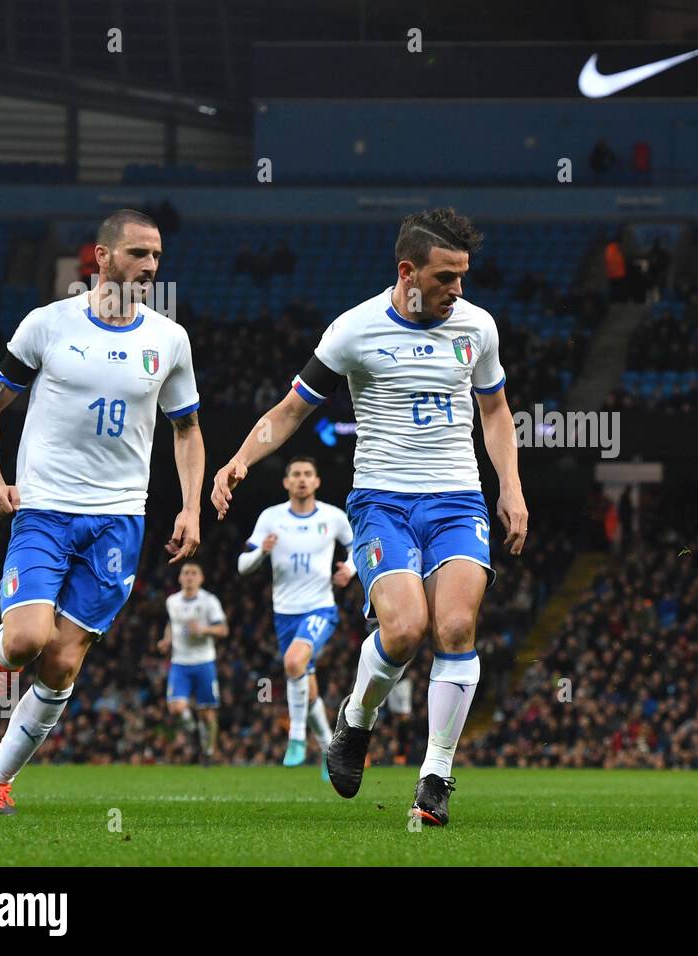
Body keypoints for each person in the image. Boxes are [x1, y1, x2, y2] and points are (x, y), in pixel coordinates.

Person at [211, 207, 527, 826]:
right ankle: (356, 720)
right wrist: (240, 459)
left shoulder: (477, 328)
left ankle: (435, 776)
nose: (456, 290)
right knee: (406, 630)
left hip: (458, 499)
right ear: (407, 272)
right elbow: (291, 409)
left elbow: (495, 411)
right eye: (444, 278)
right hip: (382, 501)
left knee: (457, 627)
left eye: (463, 276)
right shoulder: (353, 331)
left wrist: (510, 488)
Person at [0, 208, 203, 815]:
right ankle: (0, 654)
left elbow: (187, 430)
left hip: (120, 520)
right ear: (101, 257)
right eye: (137, 255)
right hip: (45, 509)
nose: (150, 267)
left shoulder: (168, 340)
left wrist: (190, 508)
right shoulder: (47, 326)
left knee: (63, 660)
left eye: (156, 257)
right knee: (26, 642)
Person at [237, 456, 356, 778]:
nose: (302, 479)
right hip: (284, 614)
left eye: (308, 474)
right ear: (286, 482)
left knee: (292, 663)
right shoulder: (271, 518)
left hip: (320, 607)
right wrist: (261, 550)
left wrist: (350, 568)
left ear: (317, 481)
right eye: (296, 474)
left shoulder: (333, 517)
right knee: (308, 685)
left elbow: (357, 545)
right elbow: (242, 566)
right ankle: (329, 750)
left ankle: (296, 738)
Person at [159, 561, 228, 765]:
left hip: (203, 661)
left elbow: (223, 629)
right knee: (176, 708)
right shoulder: (172, 601)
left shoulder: (209, 601)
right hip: (180, 662)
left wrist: (204, 630)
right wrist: (167, 640)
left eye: (193, 573)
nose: (189, 577)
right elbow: (172, 623)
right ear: (180, 578)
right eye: (186, 573)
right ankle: (193, 730)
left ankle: (208, 753)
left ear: (200, 578)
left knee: (207, 713)